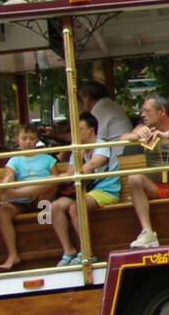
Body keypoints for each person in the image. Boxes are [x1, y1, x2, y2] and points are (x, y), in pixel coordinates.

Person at [121, 93, 169, 248]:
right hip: (155, 187)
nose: (142, 115)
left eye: (146, 111)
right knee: (134, 177)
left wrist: (167, 135)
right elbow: (123, 138)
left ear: (161, 112)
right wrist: (137, 135)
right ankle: (147, 232)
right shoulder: (144, 128)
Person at [51, 111, 120, 266]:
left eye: (79, 129)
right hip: (85, 192)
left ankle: (87, 252)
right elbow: (70, 172)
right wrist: (59, 177)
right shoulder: (78, 150)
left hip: (106, 191)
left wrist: (63, 176)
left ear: (90, 131)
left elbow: (91, 166)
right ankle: (68, 250)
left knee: (76, 207)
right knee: (55, 207)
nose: (75, 133)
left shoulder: (101, 145)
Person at [0, 124, 57, 270]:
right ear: (18, 140)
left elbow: (55, 179)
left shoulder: (48, 159)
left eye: (32, 138)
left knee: (52, 181)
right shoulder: (14, 160)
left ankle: (44, 225)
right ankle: (13, 255)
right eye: (24, 138)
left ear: (37, 141)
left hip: (42, 201)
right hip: (21, 203)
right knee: (3, 210)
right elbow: (8, 175)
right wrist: (6, 181)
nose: (28, 142)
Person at [78, 79, 135, 152]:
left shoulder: (100, 109)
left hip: (119, 155)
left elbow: (91, 139)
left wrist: (61, 136)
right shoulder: (107, 104)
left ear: (87, 98)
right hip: (121, 151)